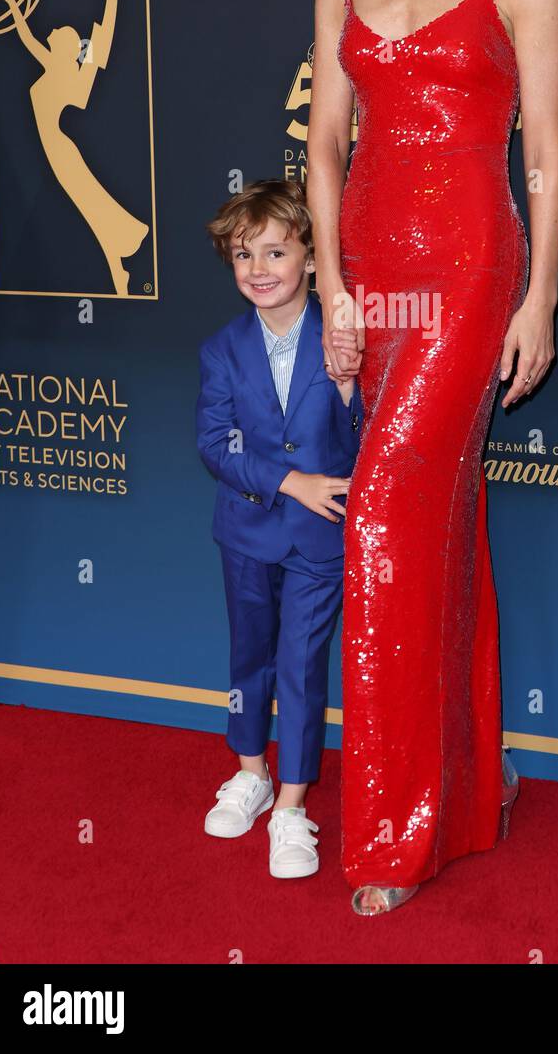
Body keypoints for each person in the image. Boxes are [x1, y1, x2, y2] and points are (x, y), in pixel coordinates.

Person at [306, 0, 558, 914]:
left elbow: (548, 157)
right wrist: (330, 291)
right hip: (372, 269)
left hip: (469, 273)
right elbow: (322, 145)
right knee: (440, 525)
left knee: (385, 515)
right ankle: (470, 784)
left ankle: (395, 831)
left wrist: (541, 299)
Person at [195, 179, 364, 879]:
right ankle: (250, 772)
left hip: (321, 539)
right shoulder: (222, 349)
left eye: (274, 252)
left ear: (313, 258)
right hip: (246, 531)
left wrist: (352, 389)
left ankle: (292, 806)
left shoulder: (346, 332)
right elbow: (214, 443)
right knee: (249, 659)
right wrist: (286, 480)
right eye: (243, 256)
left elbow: (373, 441)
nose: (259, 270)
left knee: (299, 667)